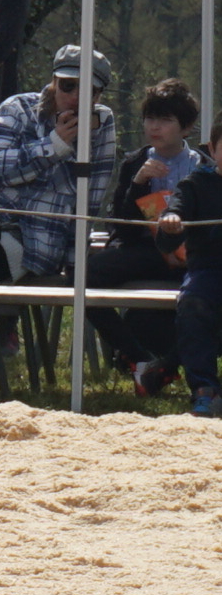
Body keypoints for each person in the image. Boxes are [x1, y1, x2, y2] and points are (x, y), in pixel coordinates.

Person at [86, 79, 204, 396]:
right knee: (86, 276)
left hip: (190, 255)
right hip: (144, 251)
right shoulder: (135, 161)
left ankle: (167, 366)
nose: (155, 127)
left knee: (208, 296)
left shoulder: (201, 166)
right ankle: (137, 360)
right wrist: (138, 184)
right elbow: (121, 228)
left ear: (187, 127)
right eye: (150, 118)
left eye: (165, 120)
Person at [0, 44, 117, 284]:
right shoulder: (19, 107)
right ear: (54, 81)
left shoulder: (101, 125)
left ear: (98, 96)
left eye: (88, 90)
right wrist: (52, 146)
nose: (75, 96)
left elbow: (90, 201)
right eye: (67, 85)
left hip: (35, 237)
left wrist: (75, 265)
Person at [157, 112, 222, 418]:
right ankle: (204, 390)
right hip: (207, 272)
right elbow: (173, 217)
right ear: (213, 148)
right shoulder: (195, 184)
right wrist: (171, 222)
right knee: (193, 305)